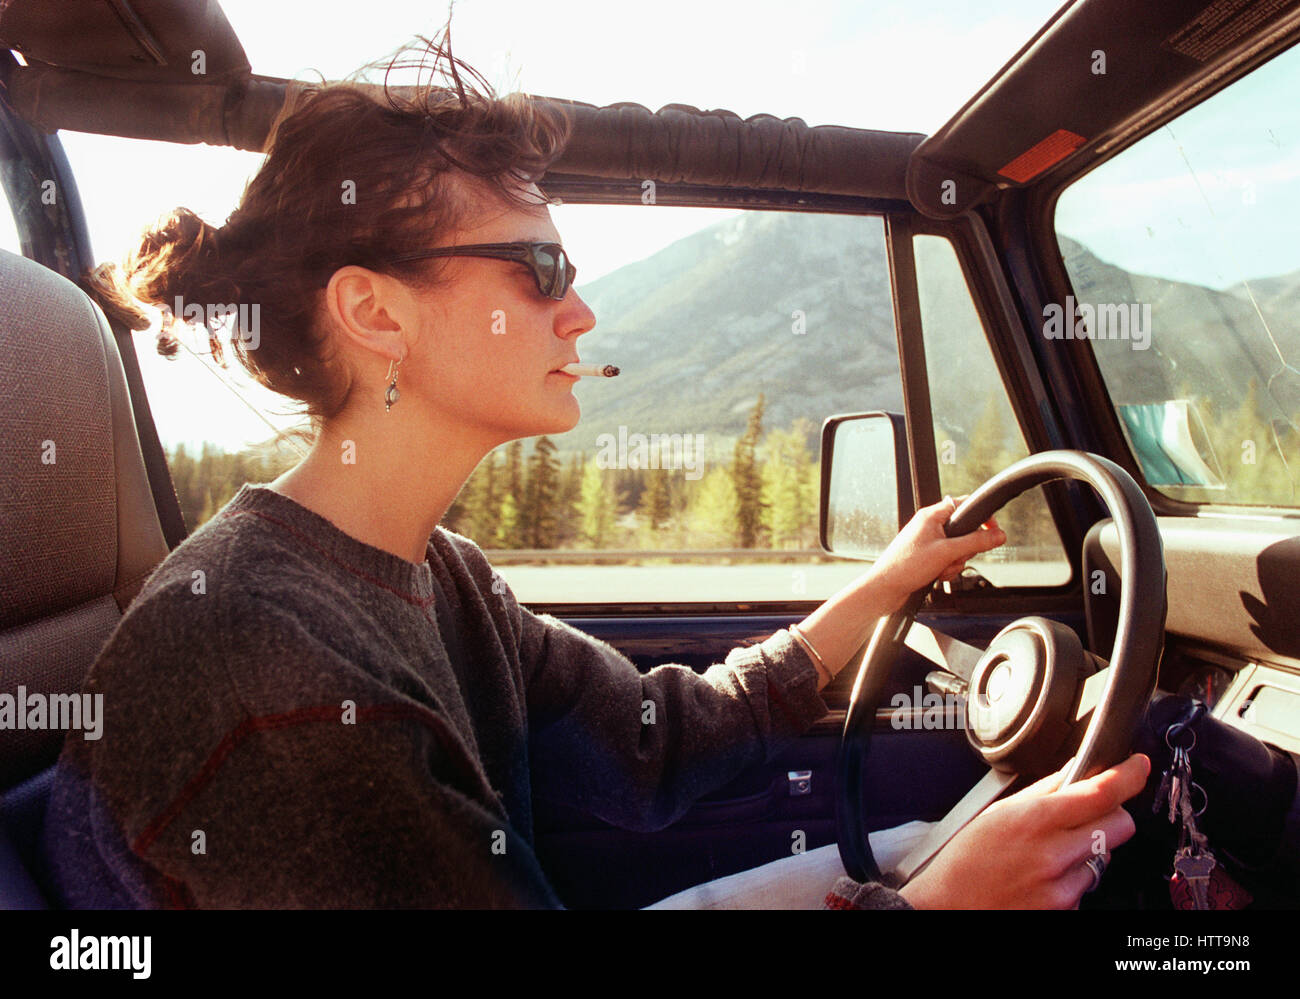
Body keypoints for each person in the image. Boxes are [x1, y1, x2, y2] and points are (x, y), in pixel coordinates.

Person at [47, 35, 1148, 910]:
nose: (580, 308)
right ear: (374, 311)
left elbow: (651, 742)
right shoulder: (264, 665)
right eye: (536, 269)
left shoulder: (437, 574)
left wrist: (883, 584)